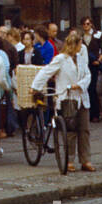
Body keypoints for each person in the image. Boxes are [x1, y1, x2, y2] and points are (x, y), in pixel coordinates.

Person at [30, 32, 95, 173]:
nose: (81, 47)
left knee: (84, 130)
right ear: (75, 45)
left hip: (82, 97)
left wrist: (81, 84)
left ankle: (86, 160)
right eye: (79, 44)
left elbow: (88, 75)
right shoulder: (60, 59)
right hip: (67, 97)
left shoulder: (81, 58)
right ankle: (70, 160)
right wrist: (35, 87)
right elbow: (46, 72)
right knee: (70, 130)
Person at [82, 17, 102, 121]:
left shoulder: (98, 35)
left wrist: (99, 61)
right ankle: (88, 113)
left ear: (91, 24)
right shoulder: (81, 36)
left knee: (93, 88)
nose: (86, 26)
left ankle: (95, 113)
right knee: (86, 88)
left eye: (87, 24)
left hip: (94, 64)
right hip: (85, 64)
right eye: (84, 24)